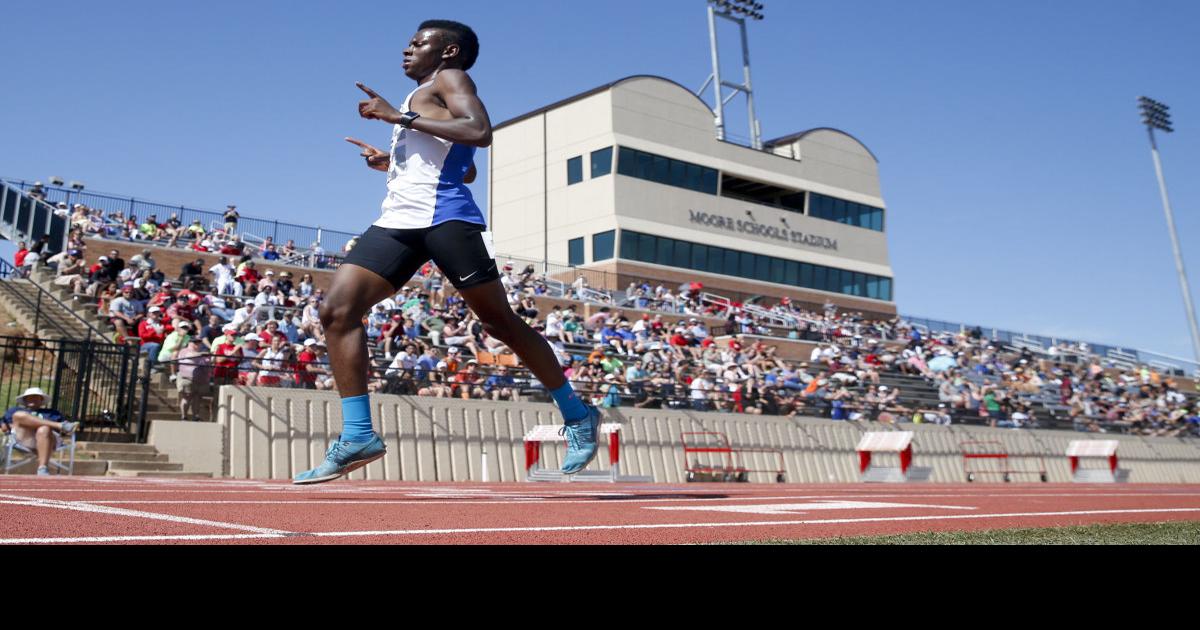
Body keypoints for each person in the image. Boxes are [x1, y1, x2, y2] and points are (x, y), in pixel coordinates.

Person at [294, 20, 599, 485]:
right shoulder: (422, 96)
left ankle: (578, 414)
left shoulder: (451, 80)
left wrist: (398, 120)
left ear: (448, 51)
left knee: (500, 324)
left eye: (419, 42)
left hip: (446, 220)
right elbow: (464, 165)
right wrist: (391, 160)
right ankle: (357, 435)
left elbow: (480, 131)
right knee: (337, 311)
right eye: (409, 41)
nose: (407, 48)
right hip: (398, 220)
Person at [2, 388, 79, 475]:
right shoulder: (14, 410)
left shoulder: (52, 413)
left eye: (35, 397)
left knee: (44, 429)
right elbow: (4, 427)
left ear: (41, 399)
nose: (32, 399)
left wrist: (41, 427)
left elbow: (64, 433)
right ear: (25, 399)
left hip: (48, 440)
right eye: (29, 397)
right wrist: (29, 424)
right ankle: (60, 425)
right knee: (19, 415)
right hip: (24, 439)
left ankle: (42, 468)